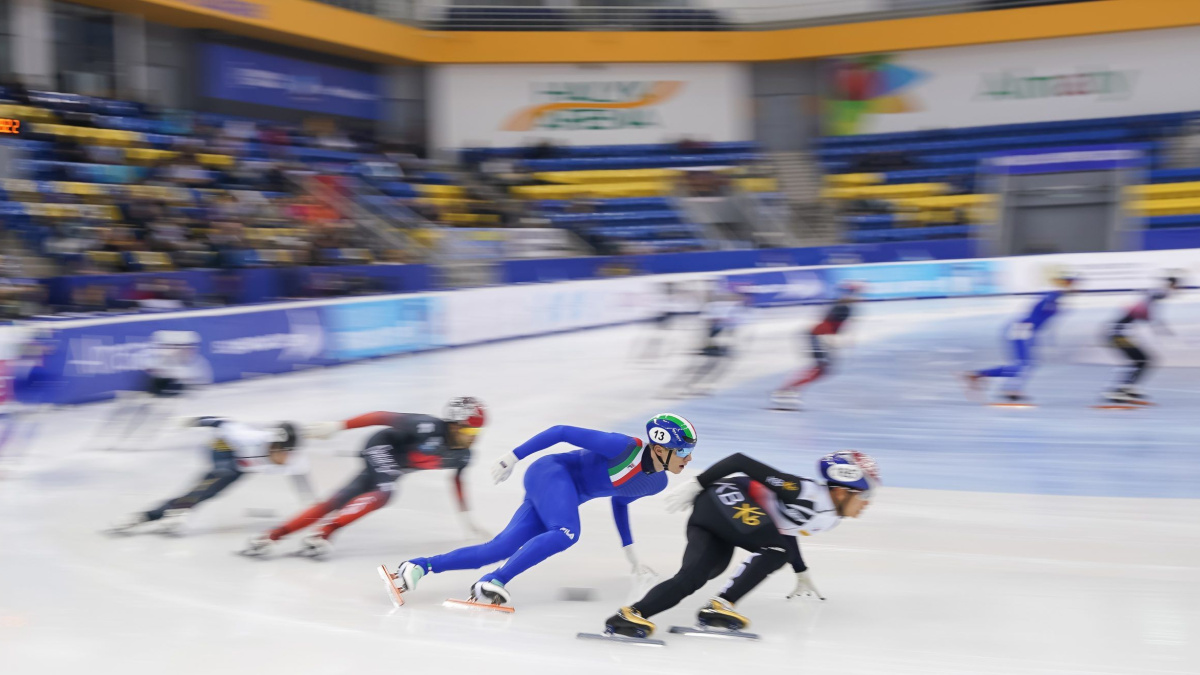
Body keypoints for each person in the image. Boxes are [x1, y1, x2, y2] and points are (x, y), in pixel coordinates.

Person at [385, 414, 698, 607]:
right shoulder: (622, 446)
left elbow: (619, 502)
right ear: (659, 448)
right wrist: (513, 457)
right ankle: (493, 581)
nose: (688, 458)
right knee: (565, 533)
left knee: (499, 547)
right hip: (551, 472)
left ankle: (417, 567)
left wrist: (631, 554)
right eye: (683, 451)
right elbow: (561, 431)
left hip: (562, 496)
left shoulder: (655, 483)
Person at [604, 450, 880, 639]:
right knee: (775, 549)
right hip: (720, 498)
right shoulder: (802, 490)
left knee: (696, 576)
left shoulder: (829, 517)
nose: (868, 503)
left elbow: (786, 530)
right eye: (866, 494)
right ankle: (721, 605)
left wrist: (801, 570)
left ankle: (631, 615)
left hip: (717, 522)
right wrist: (697, 483)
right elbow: (740, 461)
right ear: (843, 490)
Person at [243, 397, 487, 559]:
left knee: (338, 500)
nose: (474, 437)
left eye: (478, 431)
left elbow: (456, 480)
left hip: (390, 467)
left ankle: (272, 536)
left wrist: (465, 515)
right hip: (380, 446)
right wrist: (338, 426)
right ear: (454, 425)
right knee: (386, 491)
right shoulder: (428, 426)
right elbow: (380, 416)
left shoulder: (463, 456)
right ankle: (324, 531)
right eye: (470, 430)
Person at [108, 416, 309, 535]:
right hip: (222, 448)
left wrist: (312, 512)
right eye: (284, 453)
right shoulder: (248, 438)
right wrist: (193, 421)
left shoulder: (292, 459)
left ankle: (149, 515)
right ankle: (172, 511)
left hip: (240, 465)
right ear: (274, 445)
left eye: (291, 453)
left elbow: (303, 487)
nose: (287, 459)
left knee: (208, 493)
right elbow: (221, 422)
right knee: (217, 477)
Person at [965, 273, 1077, 403]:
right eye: (1069, 284)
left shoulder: (1055, 300)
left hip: (1027, 331)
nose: (1073, 288)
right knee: (1024, 365)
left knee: (1027, 365)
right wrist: (1062, 289)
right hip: (1021, 329)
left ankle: (1005, 387)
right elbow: (1048, 300)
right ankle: (983, 377)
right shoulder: (1050, 296)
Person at [100, 330, 210, 450]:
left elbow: (199, 383)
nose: (187, 351)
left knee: (154, 416)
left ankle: (135, 441)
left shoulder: (197, 363)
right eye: (182, 348)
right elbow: (145, 369)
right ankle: (109, 438)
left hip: (168, 394)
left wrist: (185, 386)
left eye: (189, 348)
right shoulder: (160, 357)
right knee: (130, 410)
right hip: (152, 388)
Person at [771, 281, 863, 410]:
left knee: (822, 369)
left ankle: (789, 389)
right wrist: (829, 338)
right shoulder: (841, 307)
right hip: (818, 336)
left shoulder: (844, 306)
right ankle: (787, 389)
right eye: (854, 294)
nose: (857, 297)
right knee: (821, 368)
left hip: (819, 336)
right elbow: (827, 323)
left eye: (857, 294)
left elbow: (836, 324)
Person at [1104, 275, 1182, 403]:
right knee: (1142, 360)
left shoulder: (1144, 303)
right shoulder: (1149, 300)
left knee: (1142, 360)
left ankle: (1128, 388)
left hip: (1118, 334)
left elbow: (1149, 312)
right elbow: (1153, 303)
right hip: (1118, 335)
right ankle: (1121, 390)